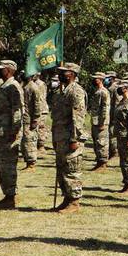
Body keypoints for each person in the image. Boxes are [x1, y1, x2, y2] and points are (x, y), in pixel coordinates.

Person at [51, 62, 87, 213]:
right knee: (62, 169)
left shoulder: (76, 91)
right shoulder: (60, 91)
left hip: (71, 137)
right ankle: (66, 198)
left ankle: (74, 202)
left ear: (72, 74)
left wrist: (75, 139)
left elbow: (77, 117)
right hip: (60, 136)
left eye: (64, 72)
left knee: (72, 169)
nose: (60, 75)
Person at [0, 60, 24, 209]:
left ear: (9, 70)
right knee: (1, 165)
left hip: (10, 133)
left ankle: (11, 197)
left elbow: (17, 110)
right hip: (2, 131)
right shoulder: (3, 85)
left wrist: (15, 131)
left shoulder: (13, 87)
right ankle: (7, 195)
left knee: (8, 165)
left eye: (1, 69)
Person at [21, 72, 48, 170]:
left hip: (30, 118)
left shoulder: (33, 87)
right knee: (26, 140)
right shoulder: (25, 86)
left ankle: (31, 162)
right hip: (25, 117)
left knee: (30, 140)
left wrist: (36, 119)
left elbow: (37, 104)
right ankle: (28, 160)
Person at [90, 72, 111, 171]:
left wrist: (103, 122)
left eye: (96, 78)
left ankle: (103, 163)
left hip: (101, 122)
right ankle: (99, 161)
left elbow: (105, 108)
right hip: (95, 121)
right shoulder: (96, 91)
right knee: (96, 142)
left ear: (101, 80)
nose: (94, 80)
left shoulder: (104, 92)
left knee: (102, 142)